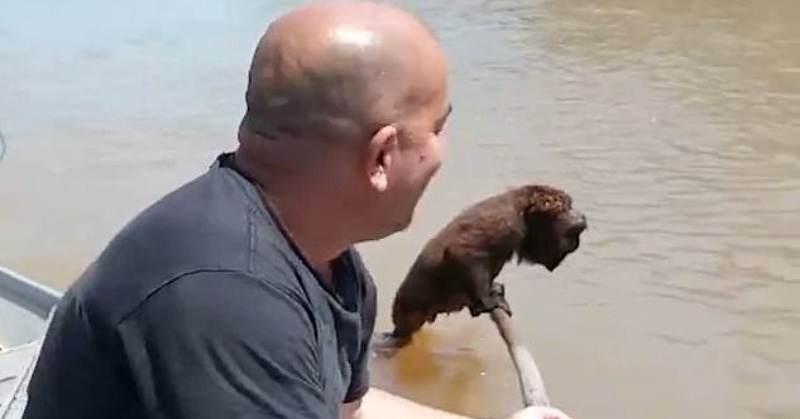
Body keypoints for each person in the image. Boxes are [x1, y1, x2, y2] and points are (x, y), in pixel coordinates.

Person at [22, 2, 575, 419]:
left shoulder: (332, 265)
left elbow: (346, 411)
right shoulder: (225, 297)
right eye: (437, 128)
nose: (441, 152)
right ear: (382, 155)